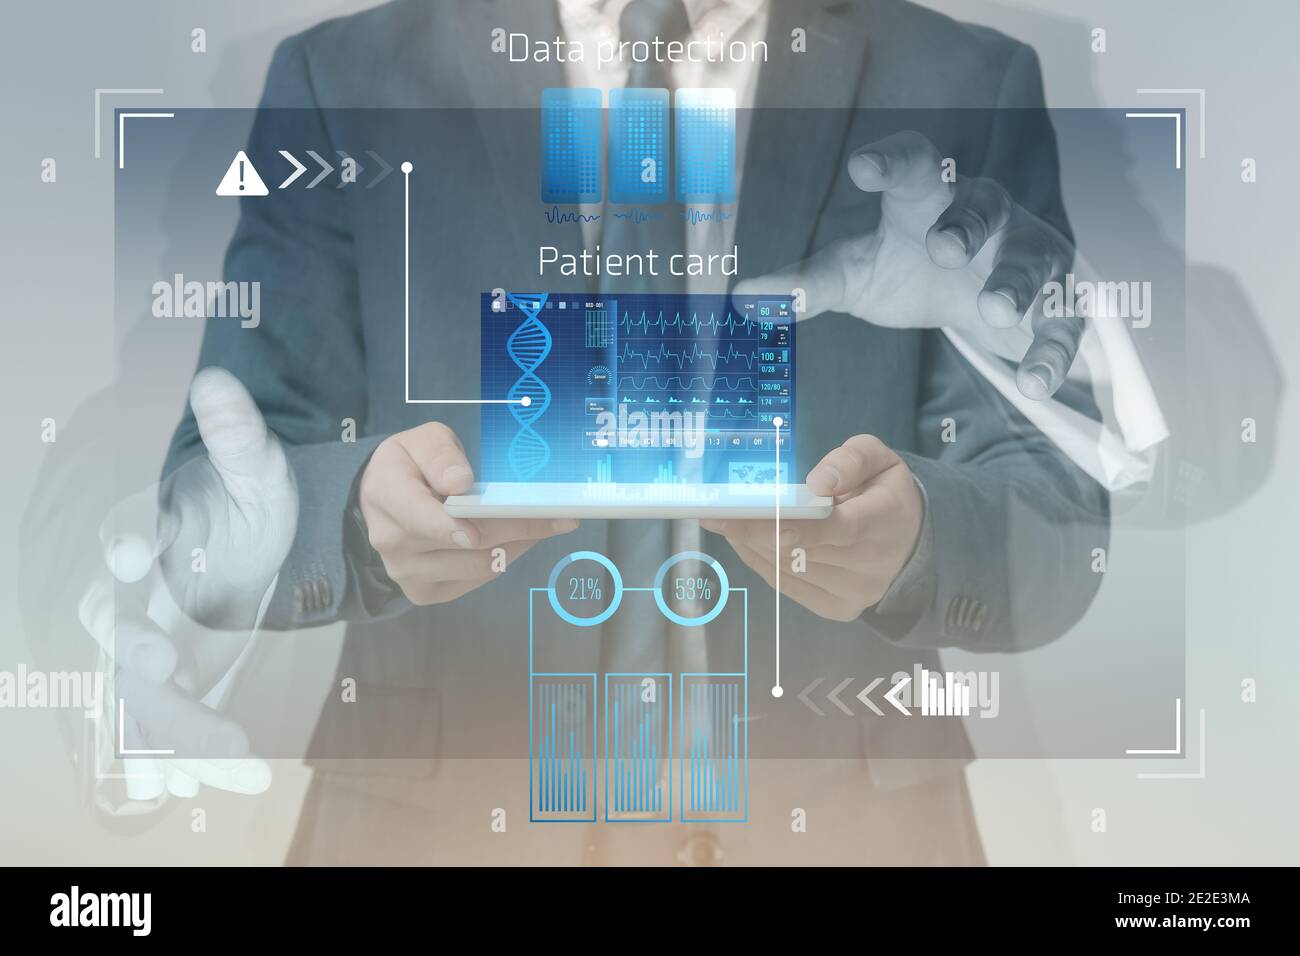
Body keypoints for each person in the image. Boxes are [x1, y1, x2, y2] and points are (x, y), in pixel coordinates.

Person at [47, 0, 1115, 864]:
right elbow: (226, 458)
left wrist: (918, 539)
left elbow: (1061, 512)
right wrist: (305, 537)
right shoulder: (340, 81)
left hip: (850, 829)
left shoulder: (965, 84)